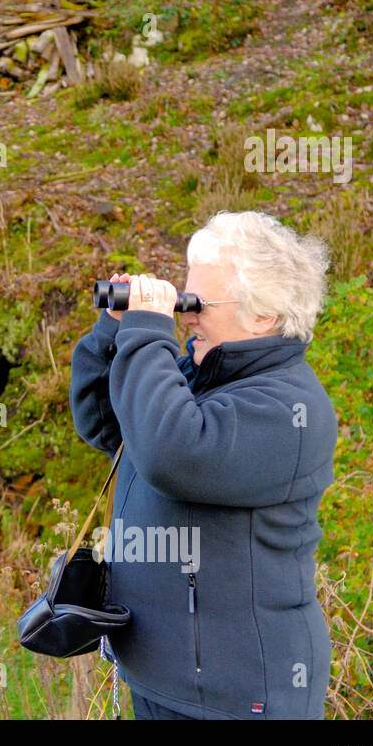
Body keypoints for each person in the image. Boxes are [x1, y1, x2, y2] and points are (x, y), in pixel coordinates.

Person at [69, 210, 336, 719]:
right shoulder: (198, 375)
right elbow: (109, 427)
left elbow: (174, 456)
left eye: (198, 304)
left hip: (238, 697)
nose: (186, 315)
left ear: (263, 314)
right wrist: (115, 332)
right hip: (161, 678)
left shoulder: (289, 409)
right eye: (184, 301)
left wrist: (149, 329)